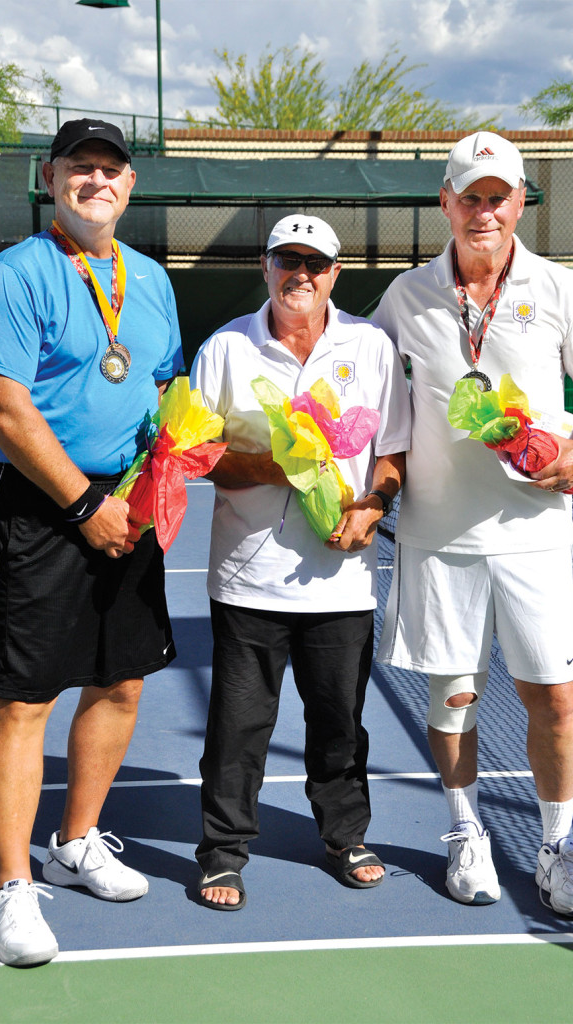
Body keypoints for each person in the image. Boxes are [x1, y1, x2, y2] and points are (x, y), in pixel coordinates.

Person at [372, 131, 573, 918]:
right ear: (445, 202)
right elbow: (365, 393)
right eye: (470, 196)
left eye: (499, 196)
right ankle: (465, 830)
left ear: (520, 203)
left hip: (536, 532)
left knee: (554, 696)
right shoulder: (406, 298)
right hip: (438, 536)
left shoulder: (563, 289)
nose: (485, 210)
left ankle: (556, 848)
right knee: (454, 697)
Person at [0, 119, 183, 965]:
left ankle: (76, 841)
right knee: (27, 694)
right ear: (49, 178)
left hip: (130, 504)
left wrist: (161, 469)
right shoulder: (18, 275)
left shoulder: (150, 281)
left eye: (111, 170)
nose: (97, 181)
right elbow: (2, 406)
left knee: (122, 680)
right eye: (80, 168)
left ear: (130, 187)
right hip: (46, 507)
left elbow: (159, 384)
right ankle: (13, 887)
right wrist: (86, 501)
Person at [189, 214, 410, 909]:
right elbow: (197, 456)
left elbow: (394, 452)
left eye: (315, 264)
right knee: (237, 727)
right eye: (288, 260)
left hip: (342, 585)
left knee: (340, 721)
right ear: (266, 266)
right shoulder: (226, 347)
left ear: (335, 275)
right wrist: (276, 464)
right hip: (247, 580)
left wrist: (373, 504)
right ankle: (223, 852)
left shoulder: (370, 346)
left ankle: (346, 837)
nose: (301, 275)